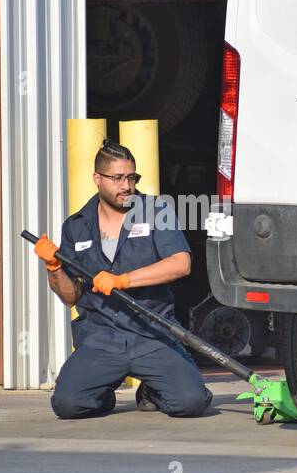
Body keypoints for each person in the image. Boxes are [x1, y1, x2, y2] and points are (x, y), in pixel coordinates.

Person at [34, 140, 214, 419]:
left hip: (152, 333)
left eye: (131, 177)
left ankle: (152, 390)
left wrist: (123, 280)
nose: (126, 186)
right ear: (97, 178)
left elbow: (181, 264)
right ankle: (101, 392)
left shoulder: (156, 211)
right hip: (101, 337)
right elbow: (71, 296)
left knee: (191, 402)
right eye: (117, 178)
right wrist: (53, 266)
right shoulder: (76, 225)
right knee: (68, 405)